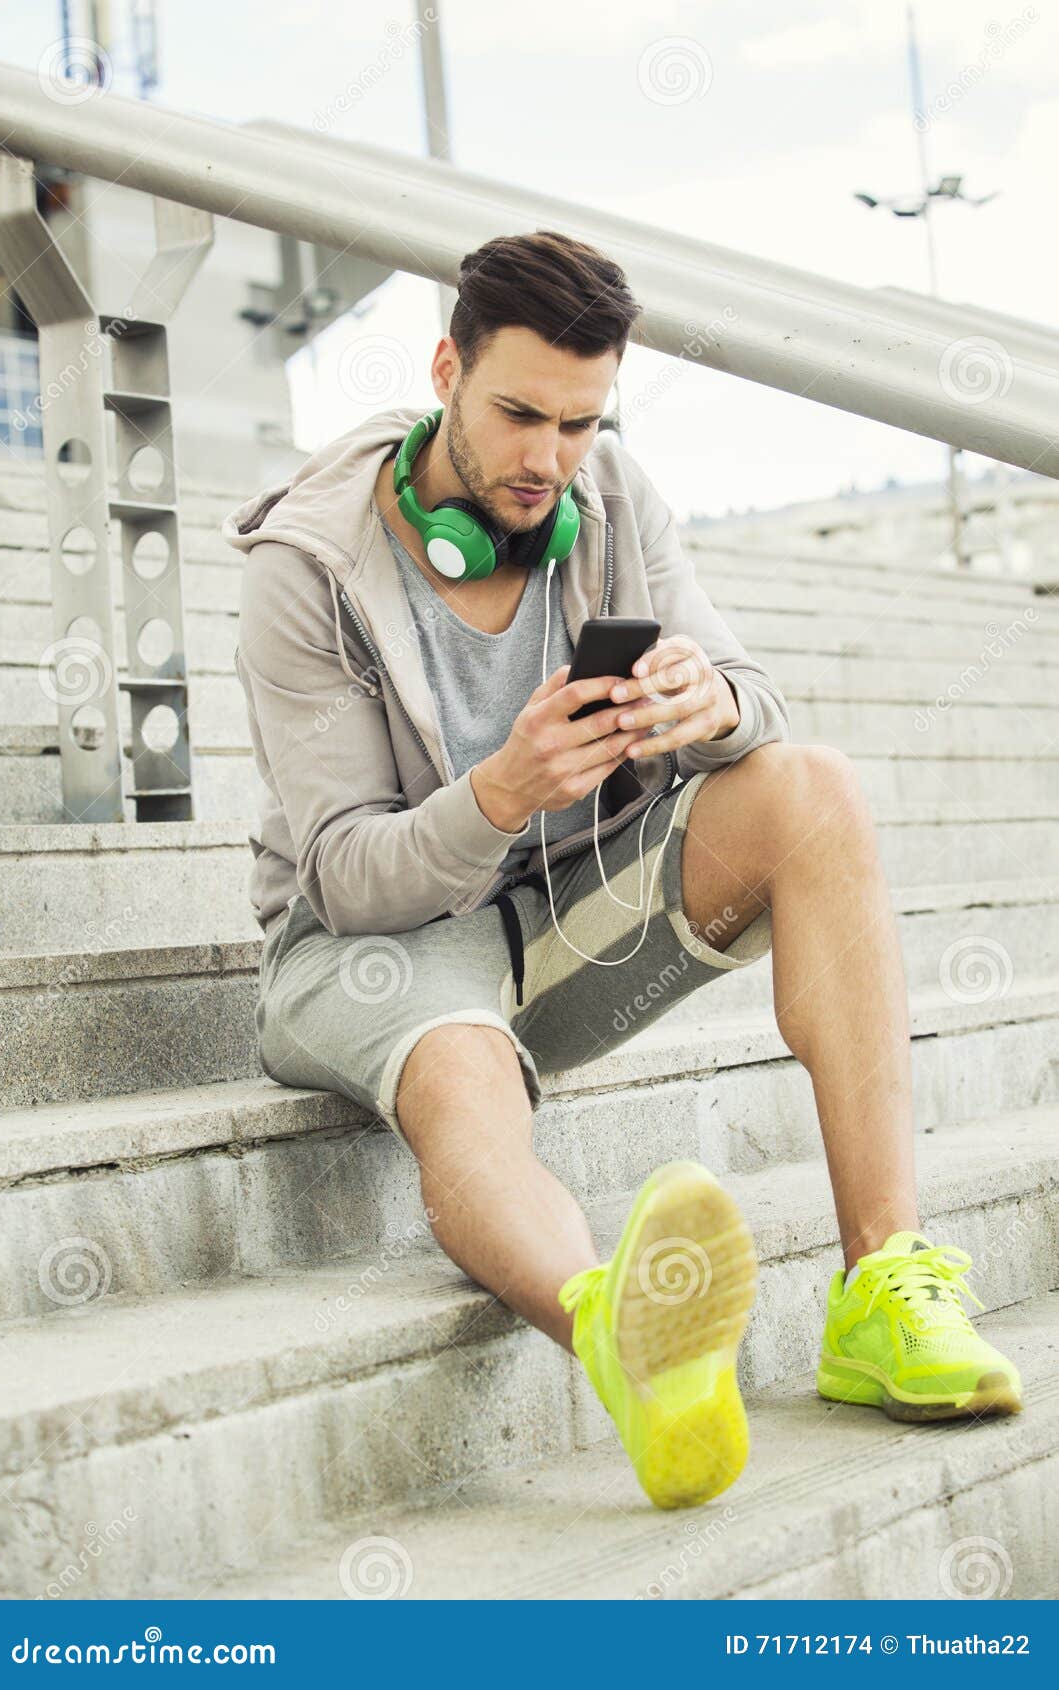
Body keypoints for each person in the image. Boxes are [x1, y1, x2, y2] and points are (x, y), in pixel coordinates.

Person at [225, 229, 1022, 1512]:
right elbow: (342, 877)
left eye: (580, 422)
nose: (547, 457)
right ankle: (620, 1335)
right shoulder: (303, 565)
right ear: (444, 368)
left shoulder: (611, 498)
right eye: (519, 413)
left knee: (812, 786)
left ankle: (880, 1288)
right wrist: (496, 794)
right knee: (462, 1068)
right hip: (374, 942)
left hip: (561, 919)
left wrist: (707, 706)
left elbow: (755, 695)